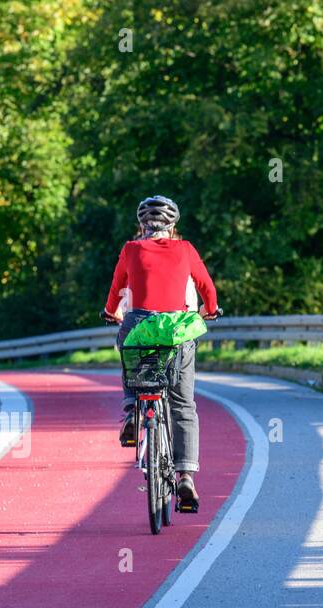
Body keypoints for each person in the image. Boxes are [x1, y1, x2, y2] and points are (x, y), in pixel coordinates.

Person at [103, 195, 218, 511]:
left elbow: (116, 290)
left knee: (127, 344)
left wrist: (111, 311)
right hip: (176, 330)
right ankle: (185, 477)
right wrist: (211, 310)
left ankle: (131, 410)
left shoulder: (131, 249)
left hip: (140, 324)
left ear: (141, 225)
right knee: (183, 403)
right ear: (173, 226)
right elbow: (207, 287)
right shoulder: (186, 249)